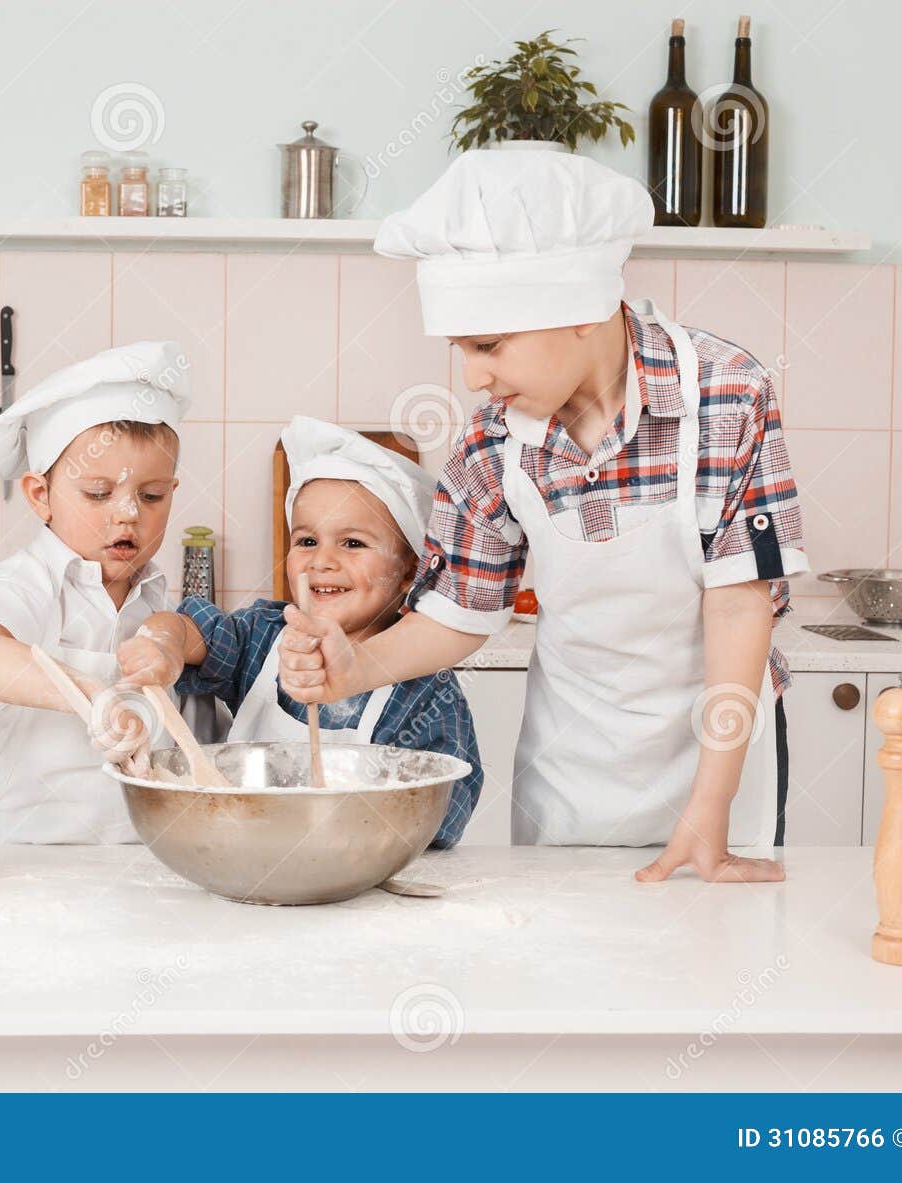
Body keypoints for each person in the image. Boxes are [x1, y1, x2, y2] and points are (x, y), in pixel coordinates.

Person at [278, 147, 809, 883]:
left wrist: (707, 809)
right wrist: (354, 668)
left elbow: (740, 607)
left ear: (582, 311)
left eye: (490, 344)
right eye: (463, 348)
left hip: (721, 762)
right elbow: (460, 611)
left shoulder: (727, 395)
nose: (474, 375)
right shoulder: (492, 441)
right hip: (572, 769)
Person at [115, 416, 482, 847]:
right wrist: (162, 642)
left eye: (352, 543)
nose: (321, 561)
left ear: (409, 573)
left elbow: (443, 818)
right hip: (245, 859)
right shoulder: (265, 635)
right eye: (307, 541)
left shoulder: (425, 691)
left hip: (360, 881)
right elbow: (192, 629)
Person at [0, 341, 190, 843]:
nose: (127, 513)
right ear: (41, 497)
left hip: (144, 861)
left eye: (151, 495)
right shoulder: (27, 583)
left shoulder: (157, 600)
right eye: (99, 494)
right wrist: (90, 694)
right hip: (37, 864)